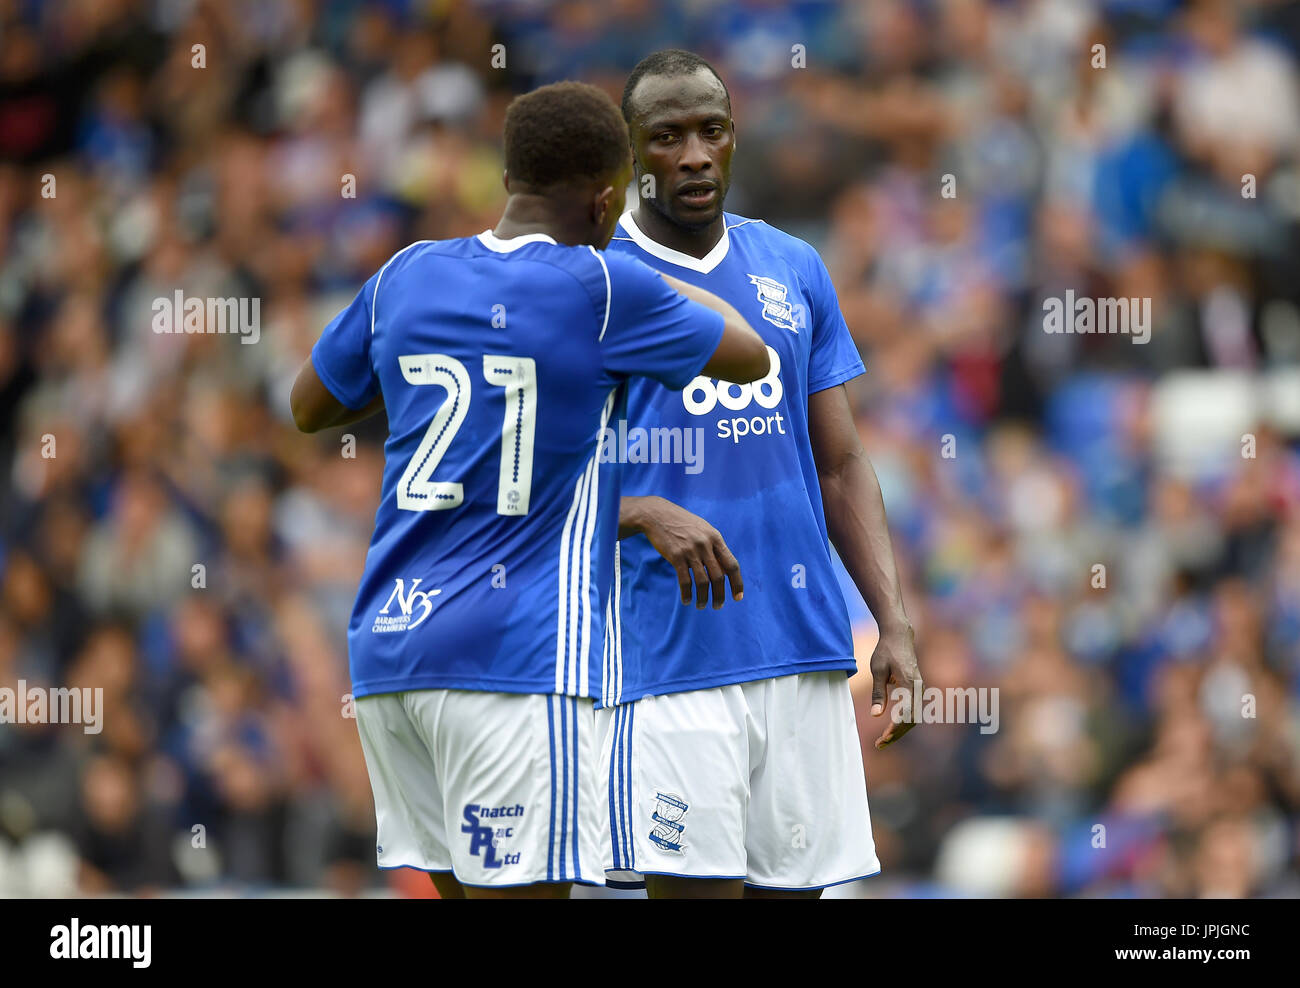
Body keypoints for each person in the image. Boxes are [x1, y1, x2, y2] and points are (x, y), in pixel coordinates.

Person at [289, 80, 768, 899]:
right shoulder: (604, 287)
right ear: (607, 197)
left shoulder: (407, 274)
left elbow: (310, 406)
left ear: (507, 179)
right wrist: (621, 262)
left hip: (391, 658)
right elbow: (749, 352)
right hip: (512, 662)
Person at [602, 51, 922, 899]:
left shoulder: (792, 266)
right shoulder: (591, 279)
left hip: (802, 644)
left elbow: (843, 461)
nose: (696, 155)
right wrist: (637, 510)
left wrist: (892, 619)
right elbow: (526, 481)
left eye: (712, 130)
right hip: (666, 656)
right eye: (667, 137)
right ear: (631, 153)